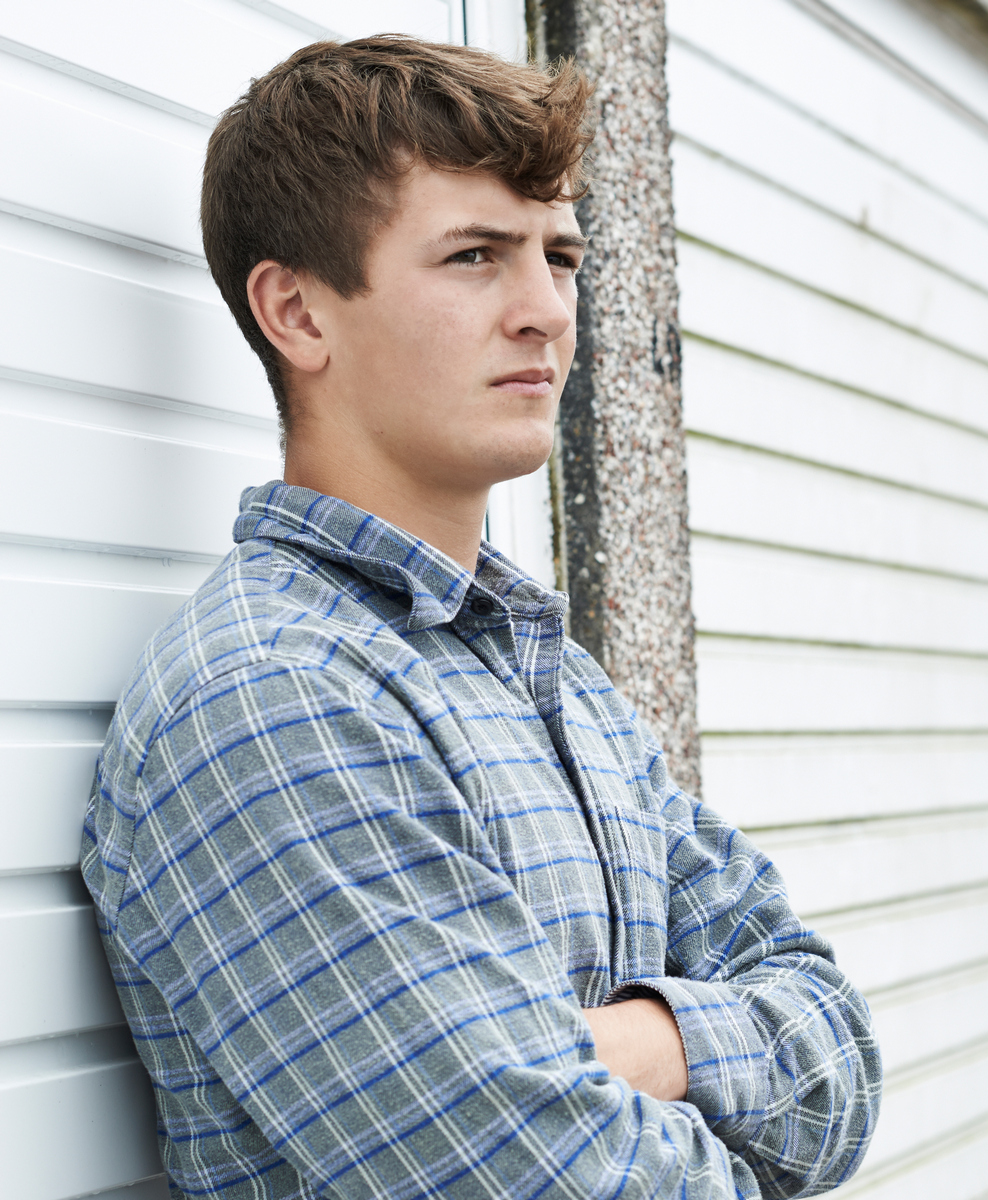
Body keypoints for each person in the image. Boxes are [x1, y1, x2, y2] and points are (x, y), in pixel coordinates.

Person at [79, 38, 880, 1199]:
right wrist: (692, 1054)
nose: (546, 313)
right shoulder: (276, 699)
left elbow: (839, 1051)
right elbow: (552, 1180)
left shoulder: (546, 677)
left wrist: (628, 1048)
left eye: (561, 258)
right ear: (297, 312)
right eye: (474, 257)